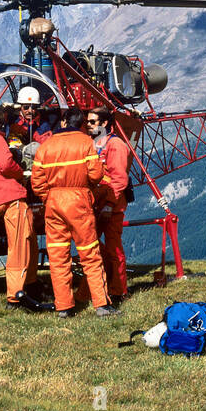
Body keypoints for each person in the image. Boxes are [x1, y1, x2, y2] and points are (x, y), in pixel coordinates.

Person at [30, 120, 117, 317]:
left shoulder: (46, 146)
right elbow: (96, 174)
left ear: (62, 122)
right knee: (90, 254)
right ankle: (101, 305)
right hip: (78, 201)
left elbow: (37, 183)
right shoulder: (86, 142)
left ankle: (64, 307)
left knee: (58, 256)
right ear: (81, 124)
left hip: (53, 203)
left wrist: (49, 196)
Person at [0, 106, 48, 311]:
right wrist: (20, 171)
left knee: (29, 240)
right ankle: (15, 296)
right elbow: (6, 164)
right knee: (20, 246)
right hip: (11, 198)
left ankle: (31, 283)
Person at [86, 108, 132, 302]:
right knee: (91, 247)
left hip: (111, 206)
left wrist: (109, 205)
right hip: (96, 204)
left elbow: (120, 179)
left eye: (92, 121)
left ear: (105, 123)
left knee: (114, 250)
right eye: (87, 121)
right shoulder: (92, 144)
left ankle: (118, 291)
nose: (88, 124)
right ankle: (97, 286)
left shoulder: (115, 145)